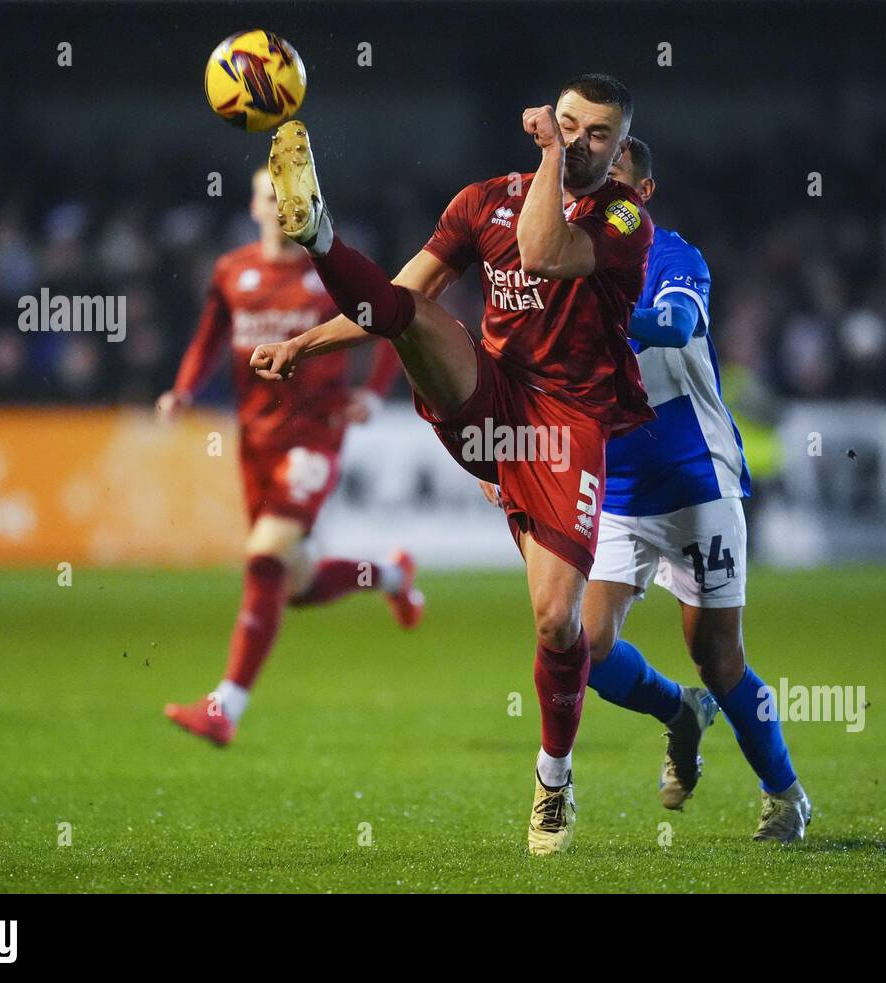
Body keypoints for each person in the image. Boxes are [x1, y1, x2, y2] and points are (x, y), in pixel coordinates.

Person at [251, 75, 654, 854]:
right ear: (551, 117)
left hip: (566, 428)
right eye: (569, 123)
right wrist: (304, 344)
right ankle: (321, 234)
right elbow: (393, 298)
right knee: (411, 315)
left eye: (597, 134)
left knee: (557, 621)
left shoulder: (623, 218)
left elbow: (543, 251)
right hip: (490, 399)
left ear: (618, 149)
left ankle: (554, 777)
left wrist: (550, 151)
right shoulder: (482, 202)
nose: (579, 141)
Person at [483, 137, 811, 842]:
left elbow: (678, 323)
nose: (598, 191)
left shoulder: (671, 256)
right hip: (613, 488)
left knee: (718, 658)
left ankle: (785, 793)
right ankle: (678, 711)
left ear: (644, 192)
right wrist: (503, 456)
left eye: (615, 178)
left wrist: (597, 310)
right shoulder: (550, 264)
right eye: (586, 180)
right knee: (584, 644)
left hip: (695, 480)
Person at [160, 167, 423, 747]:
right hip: (255, 442)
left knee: (264, 556)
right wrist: (183, 390)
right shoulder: (232, 271)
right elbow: (209, 338)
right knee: (293, 584)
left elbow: (391, 317)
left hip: (315, 435)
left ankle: (224, 706)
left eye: (287, 198)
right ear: (254, 208)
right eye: (268, 198)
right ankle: (391, 574)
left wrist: (372, 393)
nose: (279, 208)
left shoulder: (327, 271)